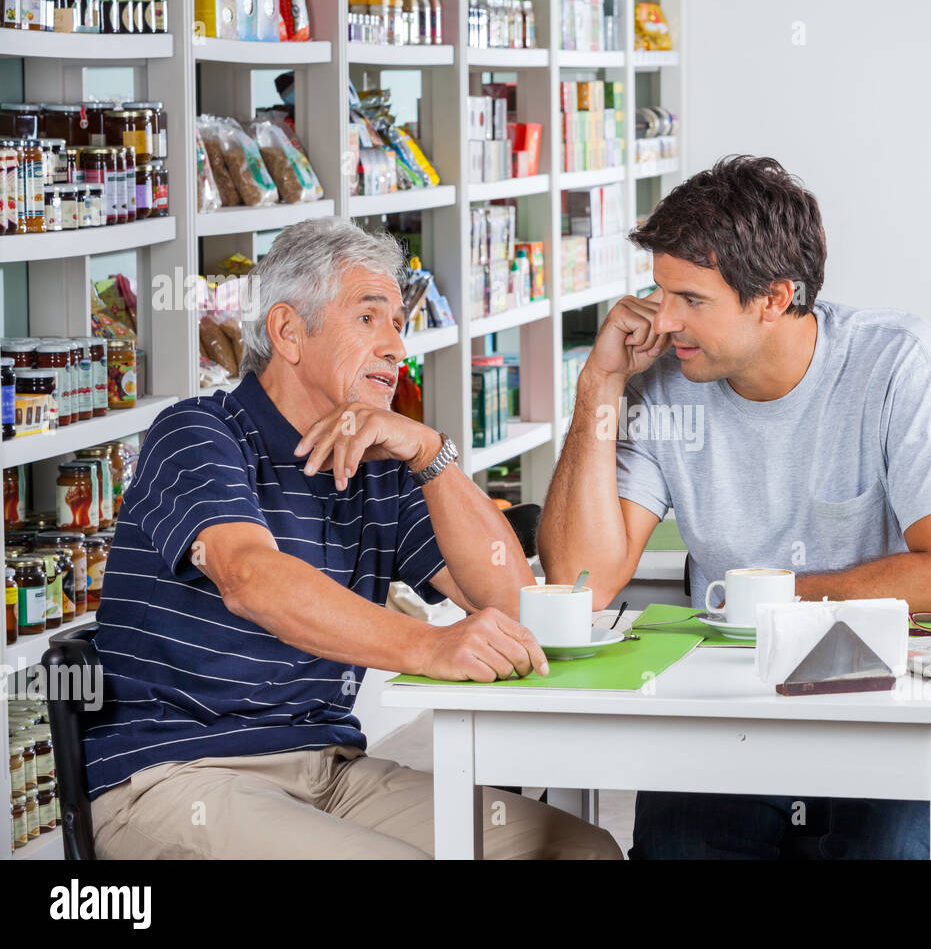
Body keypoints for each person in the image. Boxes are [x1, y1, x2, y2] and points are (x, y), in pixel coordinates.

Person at [86, 217, 621, 860]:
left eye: (400, 321)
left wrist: (430, 452)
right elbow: (251, 580)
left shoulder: (383, 465)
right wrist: (430, 645)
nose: (396, 344)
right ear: (288, 331)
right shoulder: (198, 434)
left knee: (577, 851)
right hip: (179, 773)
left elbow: (513, 599)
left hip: (330, 771)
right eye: (370, 318)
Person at [538, 155, 931, 859]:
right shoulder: (662, 382)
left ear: (776, 297)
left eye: (691, 299)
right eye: (658, 292)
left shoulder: (903, 364)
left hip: (890, 723)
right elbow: (580, 580)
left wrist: (762, 602)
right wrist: (598, 387)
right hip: (725, 723)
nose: (662, 320)